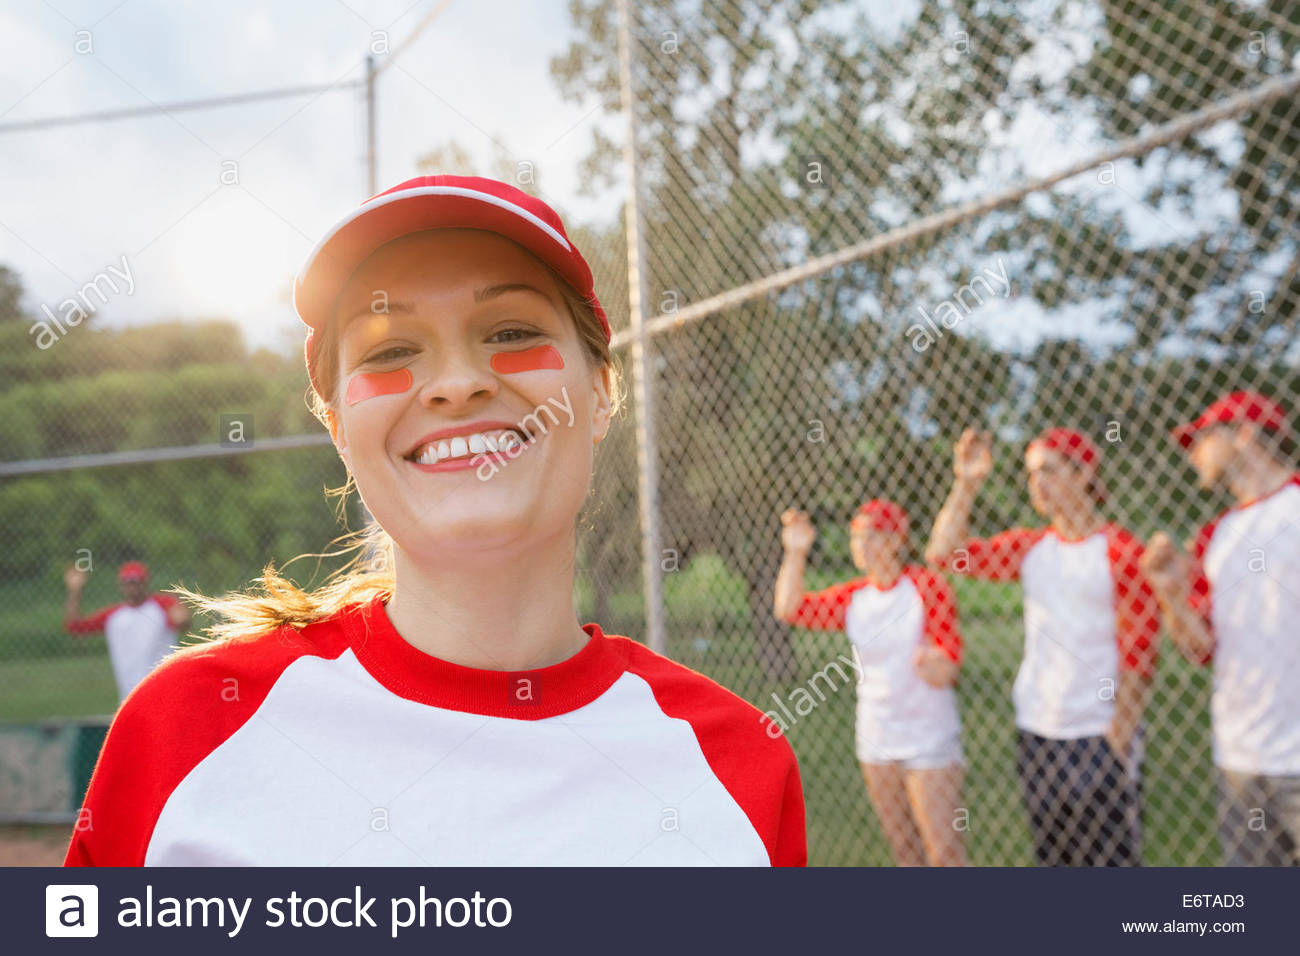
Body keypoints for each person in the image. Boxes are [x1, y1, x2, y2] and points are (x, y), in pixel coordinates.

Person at [64, 174, 806, 867]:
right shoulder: (184, 730)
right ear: (337, 426)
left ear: (602, 392)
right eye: (392, 349)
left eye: (511, 332)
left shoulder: (739, 766)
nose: (456, 383)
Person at [925, 427, 1159, 866]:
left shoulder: (1122, 551)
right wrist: (967, 482)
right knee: (1053, 860)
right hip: (1038, 733)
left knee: (1110, 863)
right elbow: (943, 553)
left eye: (1049, 470)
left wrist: (1117, 742)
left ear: (1084, 472)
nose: (1038, 483)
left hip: (1098, 733)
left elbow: (1140, 655)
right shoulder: (1031, 548)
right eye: (1032, 474)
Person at [1140, 390, 1299, 866]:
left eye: (1204, 438)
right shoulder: (1216, 537)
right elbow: (1199, 648)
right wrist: (1169, 593)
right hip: (1240, 757)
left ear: (1245, 435)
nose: (1193, 453)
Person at [774, 499, 967, 866]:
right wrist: (795, 552)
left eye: (873, 536)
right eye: (856, 538)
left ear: (897, 540)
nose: (862, 546)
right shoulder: (856, 597)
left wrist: (936, 664)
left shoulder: (926, 587)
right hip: (877, 738)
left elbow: (950, 660)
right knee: (905, 851)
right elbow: (789, 608)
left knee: (944, 854)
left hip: (928, 734)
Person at [63, 560, 191, 703]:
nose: (133, 587)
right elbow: (75, 627)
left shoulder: (160, 606)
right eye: (129, 583)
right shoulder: (114, 615)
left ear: (145, 583)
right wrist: (74, 591)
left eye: (136, 582)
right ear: (121, 585)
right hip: (130, 695)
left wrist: (183, 615)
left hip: (164, 690)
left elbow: (182, 622)